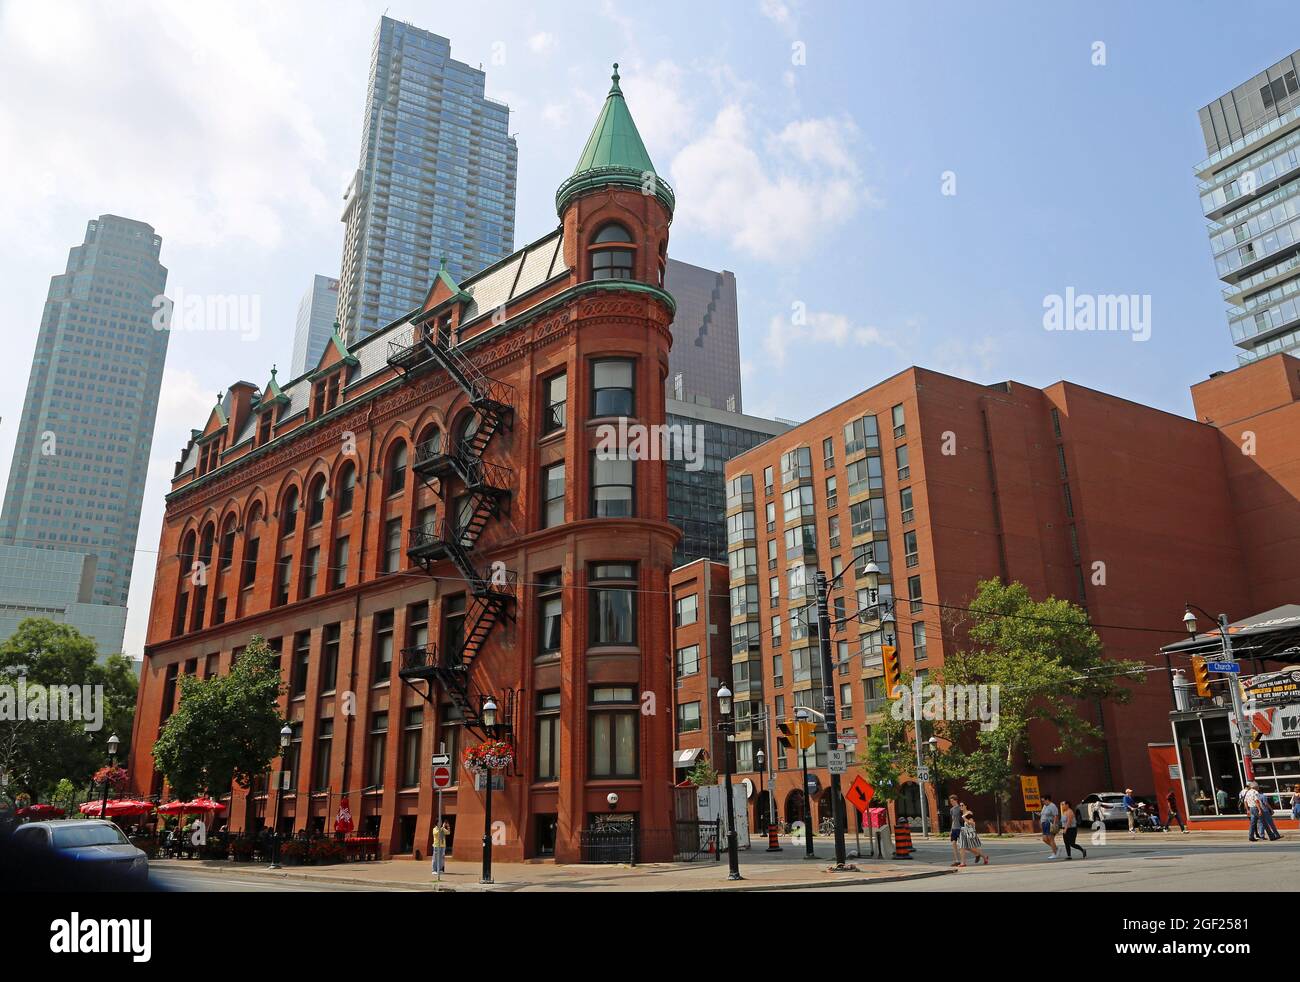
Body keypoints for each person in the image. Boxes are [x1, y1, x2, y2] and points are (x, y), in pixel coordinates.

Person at [1039, 794, 1060, 859]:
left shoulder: (1052, 806)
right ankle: (1056, 849)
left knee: (1051, 839)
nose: (1043, 803)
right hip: (1044, 824)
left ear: (1047, 799)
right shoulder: (1045, 806)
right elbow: (1043, 814)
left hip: (1049, 824)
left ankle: (1055, 853)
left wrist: (1054, 824)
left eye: (1043, 801)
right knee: (1044, 839)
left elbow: (1056, 816)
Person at [947, 795, 964, 867]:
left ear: (956, 800)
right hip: (954, 828)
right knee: (954, 844)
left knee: (962, 846)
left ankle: (979, 855)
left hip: (960, 828)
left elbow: (964, 818)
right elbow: (953, 820)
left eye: (952, 801)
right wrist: (951, 830)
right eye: (950, 801)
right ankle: (957, 860)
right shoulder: (951, 810)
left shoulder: (960, 808)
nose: (951, 802)